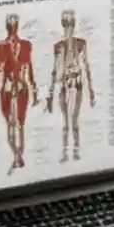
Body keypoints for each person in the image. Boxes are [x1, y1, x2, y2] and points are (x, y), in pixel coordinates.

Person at [0, 13, 39, 175]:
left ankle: (17, 158)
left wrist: (34, 88)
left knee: (19, 124)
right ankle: (18, 157)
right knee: (10, 126)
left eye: (14, 23)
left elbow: (29, 68)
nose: (12, 26)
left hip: (20, 88)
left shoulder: (26, 45)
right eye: (10, 23)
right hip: (7, 89)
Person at [46, 9, 96, 162]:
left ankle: (75, 150)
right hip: (64, 85)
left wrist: (91, 91)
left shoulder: (81, 44)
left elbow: (86, 66)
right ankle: (65, 150)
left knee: (73, 120)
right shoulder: (58, 46)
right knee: (65, 121)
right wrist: (50, 94)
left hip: (77, 83)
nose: (68, 28)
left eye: (70, 25)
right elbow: (55, 70)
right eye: (66, 25)